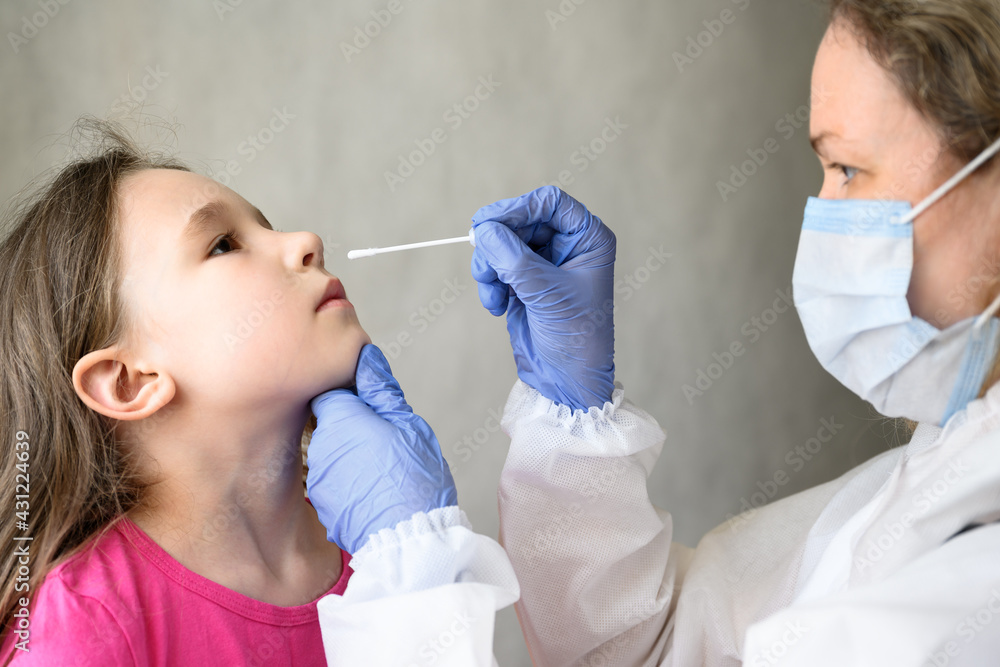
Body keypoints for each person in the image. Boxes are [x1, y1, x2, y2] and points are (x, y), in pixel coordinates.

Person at [467, 1, 1000, 664]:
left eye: (848, 169)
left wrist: (402, 581)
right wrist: (572, 408)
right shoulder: (935, 473)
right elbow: (653, 649)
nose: (821, 219)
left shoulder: (973, 569)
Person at [0, 118, 518, 666]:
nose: (306, 241)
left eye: (266, 225)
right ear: (131, 382)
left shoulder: (379, 546)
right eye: (223, 244)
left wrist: (411, 554)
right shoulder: (83, 627)